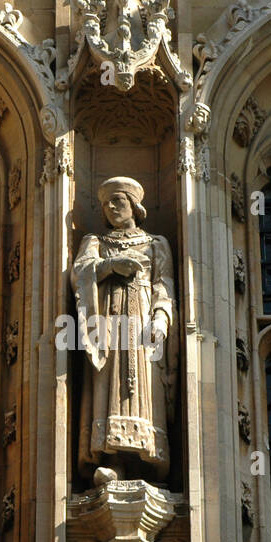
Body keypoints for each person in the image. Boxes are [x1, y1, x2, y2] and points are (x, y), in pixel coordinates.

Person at [70, 177, 177, 483]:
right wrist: (110, 266)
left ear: (134, 205)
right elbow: (78, 275)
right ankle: (112, 459)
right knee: (108, 384)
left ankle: (145, 462)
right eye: (106, 204)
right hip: (106, 322)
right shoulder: (96, 243)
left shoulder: (156, 244)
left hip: (142, 323)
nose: (112, 207)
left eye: (118, 201)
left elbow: (164, 284)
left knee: (144, 386)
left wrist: (161, 318)